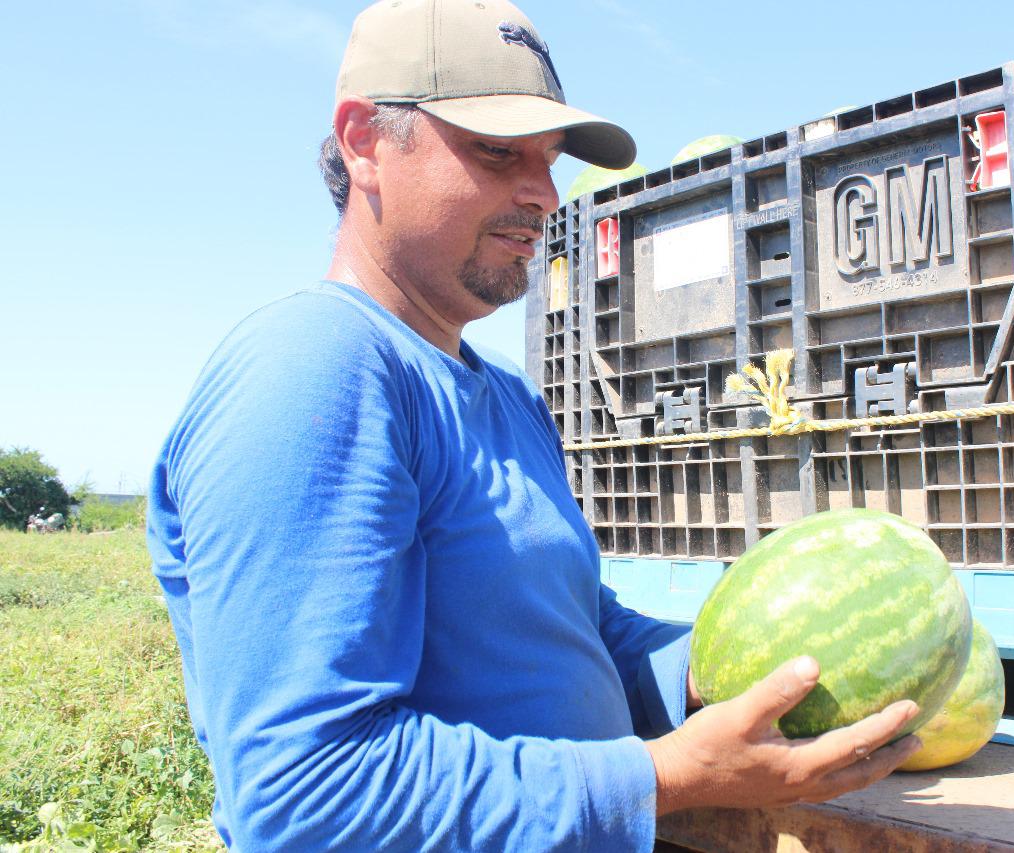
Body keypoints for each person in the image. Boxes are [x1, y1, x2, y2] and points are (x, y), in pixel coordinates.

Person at [146, 1, 923, 849]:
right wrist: (666, 777)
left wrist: (723, 673)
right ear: (365, 141)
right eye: (496, 151)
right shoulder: (314, 368)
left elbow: (572, 626)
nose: (543, 195)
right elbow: (306, 794)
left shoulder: (509, 395)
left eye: (549, 160)